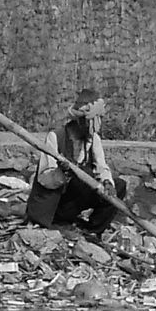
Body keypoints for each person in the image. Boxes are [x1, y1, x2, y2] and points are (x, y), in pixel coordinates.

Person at [26, 89, 127, 235]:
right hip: (57, 203)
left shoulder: (93, 139)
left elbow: (102, 167)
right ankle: (61, 221)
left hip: (79, 197)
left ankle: (92, 229)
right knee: (80, 177)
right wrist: (62, 172)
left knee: (119, 185)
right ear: (79, 120)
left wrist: (107, 182)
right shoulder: (55, 137)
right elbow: (44, 179)